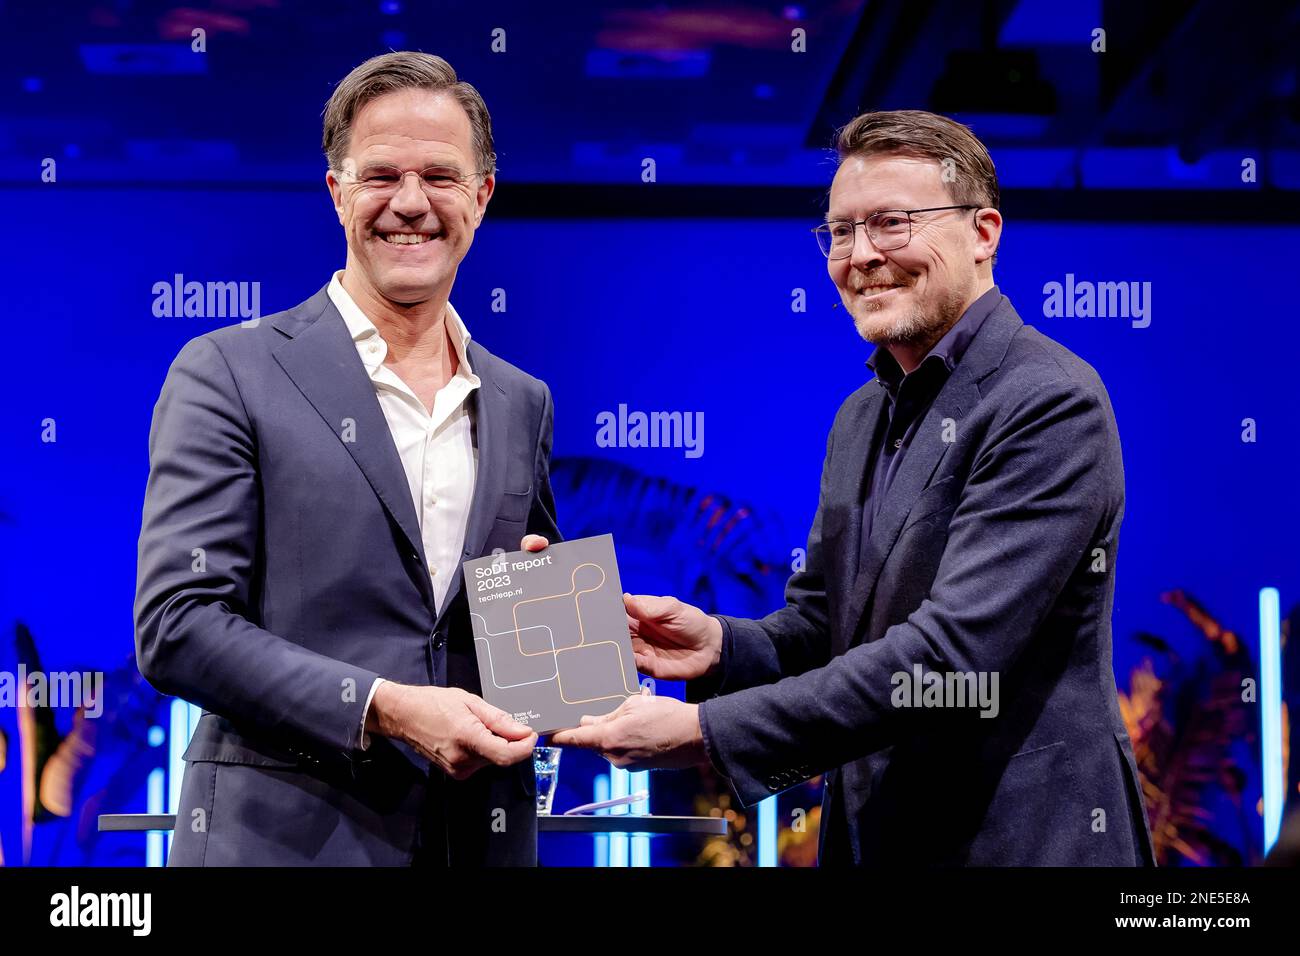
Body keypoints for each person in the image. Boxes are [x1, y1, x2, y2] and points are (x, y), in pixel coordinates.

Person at [552, 110, 1156, 867]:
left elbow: (950, 663)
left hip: (1022, 844)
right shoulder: (861, 413)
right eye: (840, 232)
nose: (861, 255)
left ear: (983, 232)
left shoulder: (1049, 400)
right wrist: (718, 648)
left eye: (891, 223)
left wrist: (707, 734)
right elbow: (825, 626)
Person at [134, 52, 558, 866]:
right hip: (282, 843)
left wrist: (551, 630)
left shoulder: (519, 398)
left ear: (483, 195)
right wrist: (386, 707)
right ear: (337, 194)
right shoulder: (228, 369)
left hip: (475, 841)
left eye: (440, 175)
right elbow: (177, 626)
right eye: (380, 175)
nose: (410, 203)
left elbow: (510, 645)